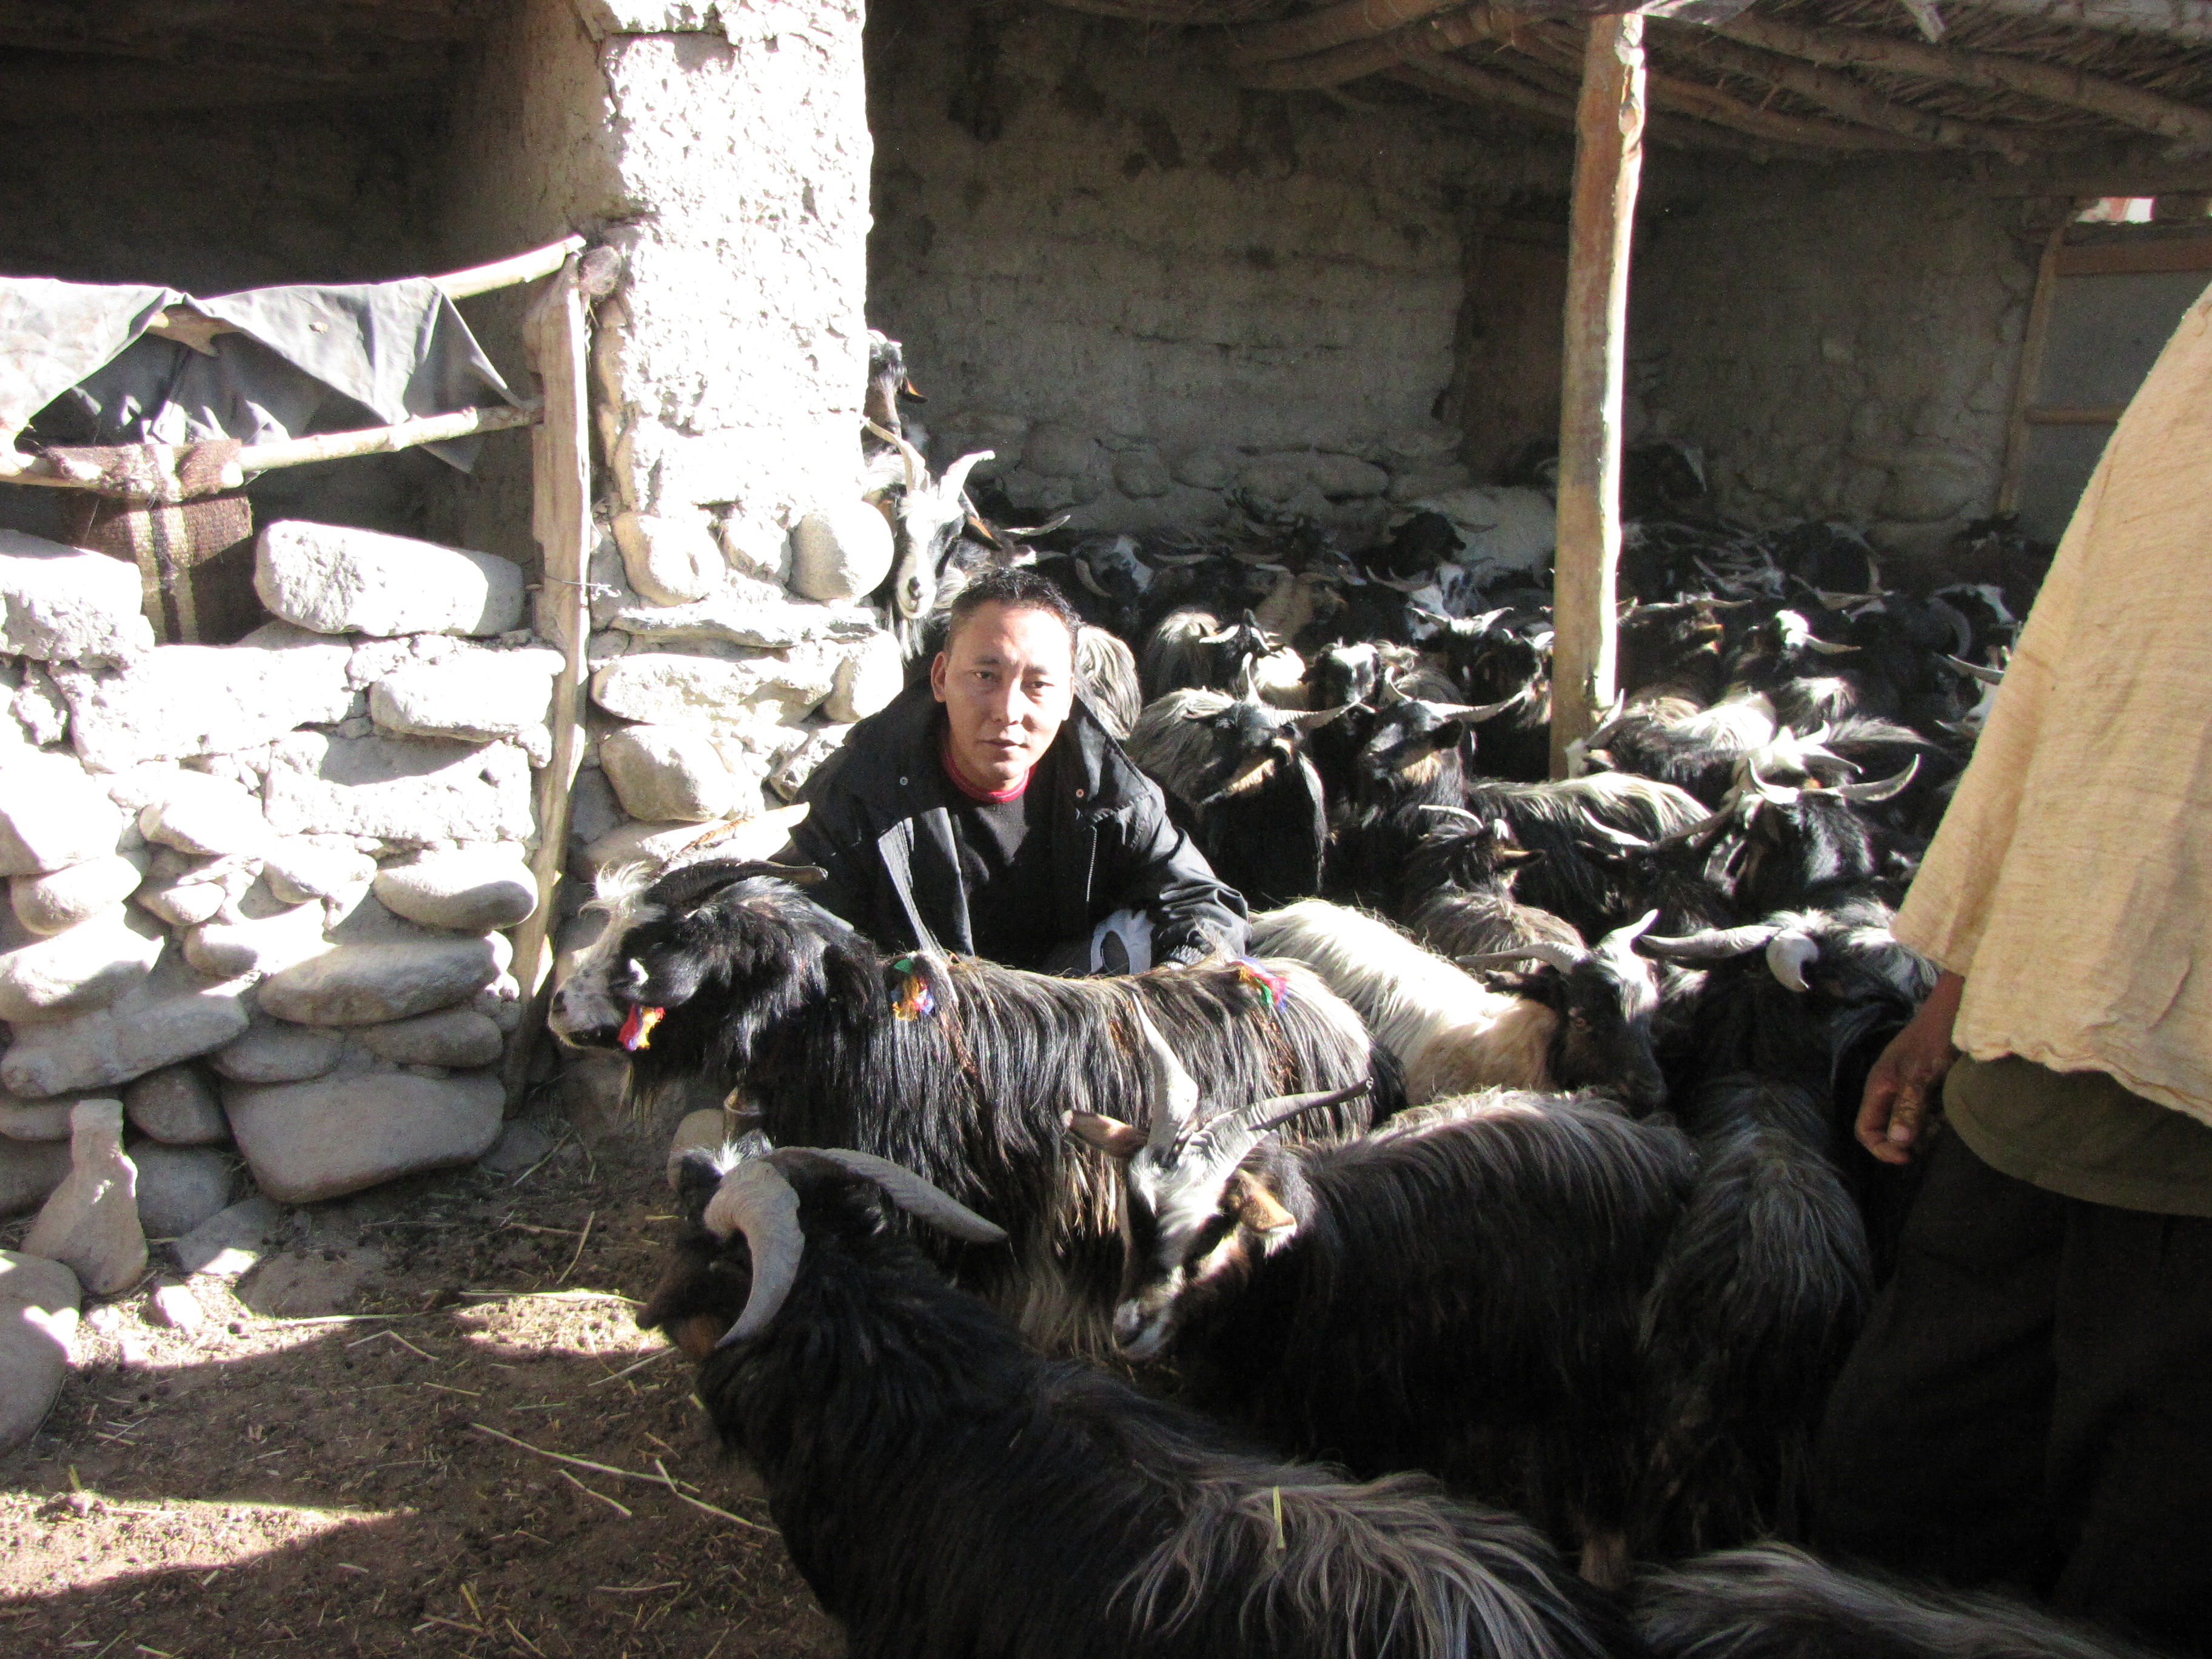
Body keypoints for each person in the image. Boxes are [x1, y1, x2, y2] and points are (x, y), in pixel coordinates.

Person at [1814, 281, 2212, 1654]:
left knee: (2136, 1579)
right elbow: (2069, 674)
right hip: (2026, 1078)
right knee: (1886, 1495)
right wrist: (1953, 990)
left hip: (2192, 1157)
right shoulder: (2199, 348)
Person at [780, 566, 1248, 973]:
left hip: (1069, 1022)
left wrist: (1171, 977)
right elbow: (798, 929)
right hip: (918, 1023)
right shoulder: (859, 793)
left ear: (1068, 697)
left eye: (1038, 685)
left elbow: (1206, 903)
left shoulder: (1111, 792)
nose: (1008, 711)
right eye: (985, 677)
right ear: (941, 678)